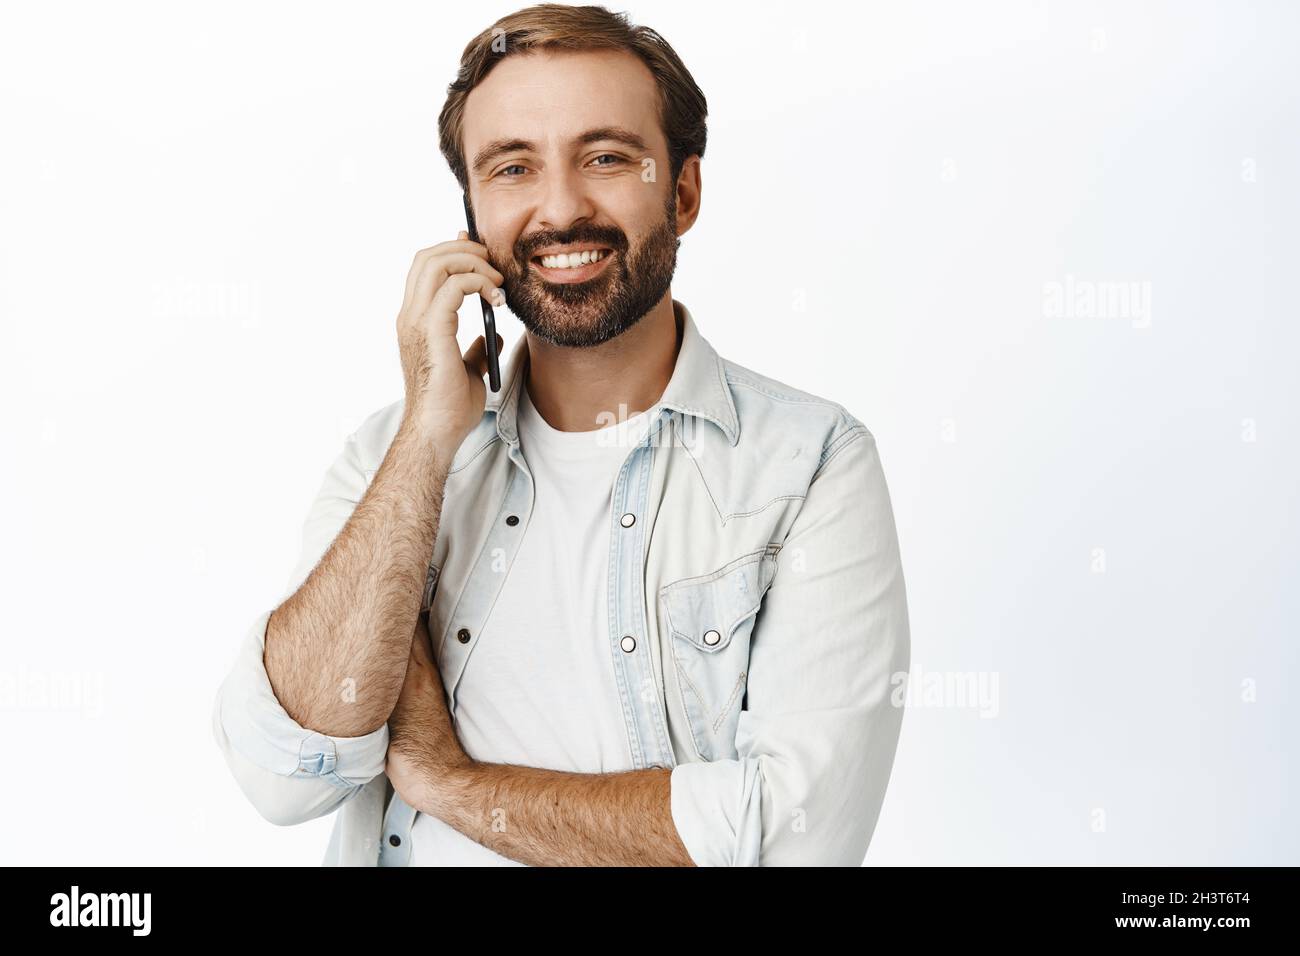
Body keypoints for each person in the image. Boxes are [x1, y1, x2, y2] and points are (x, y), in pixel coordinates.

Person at [211, 3, 910, 866]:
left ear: (683, 192)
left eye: (606, 157)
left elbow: (792, 840)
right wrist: (427, 442)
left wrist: (446, 782)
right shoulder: (389, 459)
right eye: (512, 168)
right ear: (469, 213)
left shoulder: (810, 465)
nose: (560, 209)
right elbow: (284, 776)